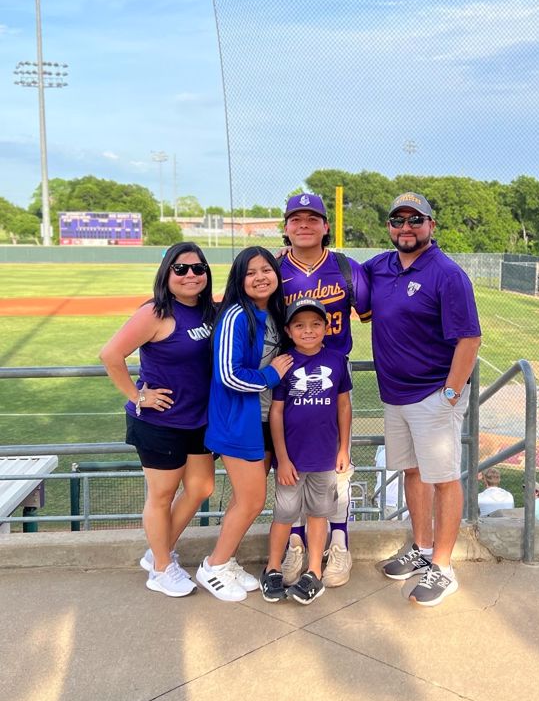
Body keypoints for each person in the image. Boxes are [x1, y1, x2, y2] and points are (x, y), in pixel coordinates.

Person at [364, 192, 481, 607]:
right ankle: (423, 547)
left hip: (433, 393)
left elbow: (470, 338)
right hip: (395, 394)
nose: (406, 228)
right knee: (412, 472)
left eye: (416, 220)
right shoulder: (380, 266)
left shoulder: (447, 274)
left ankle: (443, 567)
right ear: (389, 227)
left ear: (431, 225)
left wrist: (449, 394)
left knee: (444, 479)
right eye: (398, 220)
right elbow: (342, 278)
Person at [100, 242, 217, 598]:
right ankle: (162, 568)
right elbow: (111, 354)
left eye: (198, 268)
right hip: (160, 422)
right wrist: (138, 396)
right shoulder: (155, 312)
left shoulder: (209, 311)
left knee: (200, 488)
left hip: (198, 419)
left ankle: (158, 551)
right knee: (162, 495)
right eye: (181, 269)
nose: (190, 275)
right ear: (166, 274)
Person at [278, 192, 370, 588]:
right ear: (286, 227)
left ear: (325, 225)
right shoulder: (272, 269)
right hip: (287, 374)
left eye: (312, 218)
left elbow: (378, 315)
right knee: (290, 465)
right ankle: (295, 542)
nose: (304, 225)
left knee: (336, 466)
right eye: (295, 219)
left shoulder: (347, 269)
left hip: (334, 376)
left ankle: (340, 543)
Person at [196, 246, 293, 602]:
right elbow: (228, 375)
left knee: (242, 499)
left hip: (264, 419)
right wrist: (270, 375)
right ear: (239, 279)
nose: (260, 277)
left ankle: (227, 560)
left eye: (266, 270)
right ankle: (213, 566)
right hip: (238, 421)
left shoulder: (273, 312)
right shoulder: (236, 315)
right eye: (250, 273)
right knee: (252, 501)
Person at [260, 297, 352, 604]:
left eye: (315, 324)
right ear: (288, 330)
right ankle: (273, 567)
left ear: (326, 327)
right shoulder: (285, 363)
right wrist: (283, 459)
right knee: (284, 515)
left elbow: (343, 406)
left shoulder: (337, 360)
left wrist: (343, 449)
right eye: (299, 325)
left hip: (324, 458)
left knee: (318, 515)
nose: (308, 331)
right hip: (292, 460)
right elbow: (276, 413)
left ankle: (314, 571)